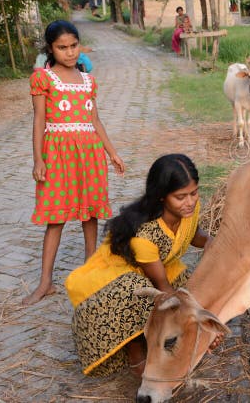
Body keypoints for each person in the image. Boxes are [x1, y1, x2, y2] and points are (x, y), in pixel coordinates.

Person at [65, 154, 212, 377]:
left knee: (192, 287)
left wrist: (212, 242)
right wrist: (199, 323)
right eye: (181, 197)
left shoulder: (188, 209)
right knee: (140, 292)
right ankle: (135, 354)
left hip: (153, 271)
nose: (190, 202)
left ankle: (154, 333)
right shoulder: (145, 235)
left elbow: (192, 233)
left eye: (194, 193)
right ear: (161, 196)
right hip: (115, 287)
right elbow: (163, 287)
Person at [24, 20, 125, 306]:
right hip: (57, 154)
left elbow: (95, 121)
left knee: (90, 214)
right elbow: (39, 120)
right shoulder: (43, 79)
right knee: (55, 218)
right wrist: (38, 159)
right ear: (50, 49)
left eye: (73, 46)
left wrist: (112, 153)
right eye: (62, 47)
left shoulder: (88, 81)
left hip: (89, 154)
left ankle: (89, 272)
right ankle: (45, 282)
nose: (69, 52)